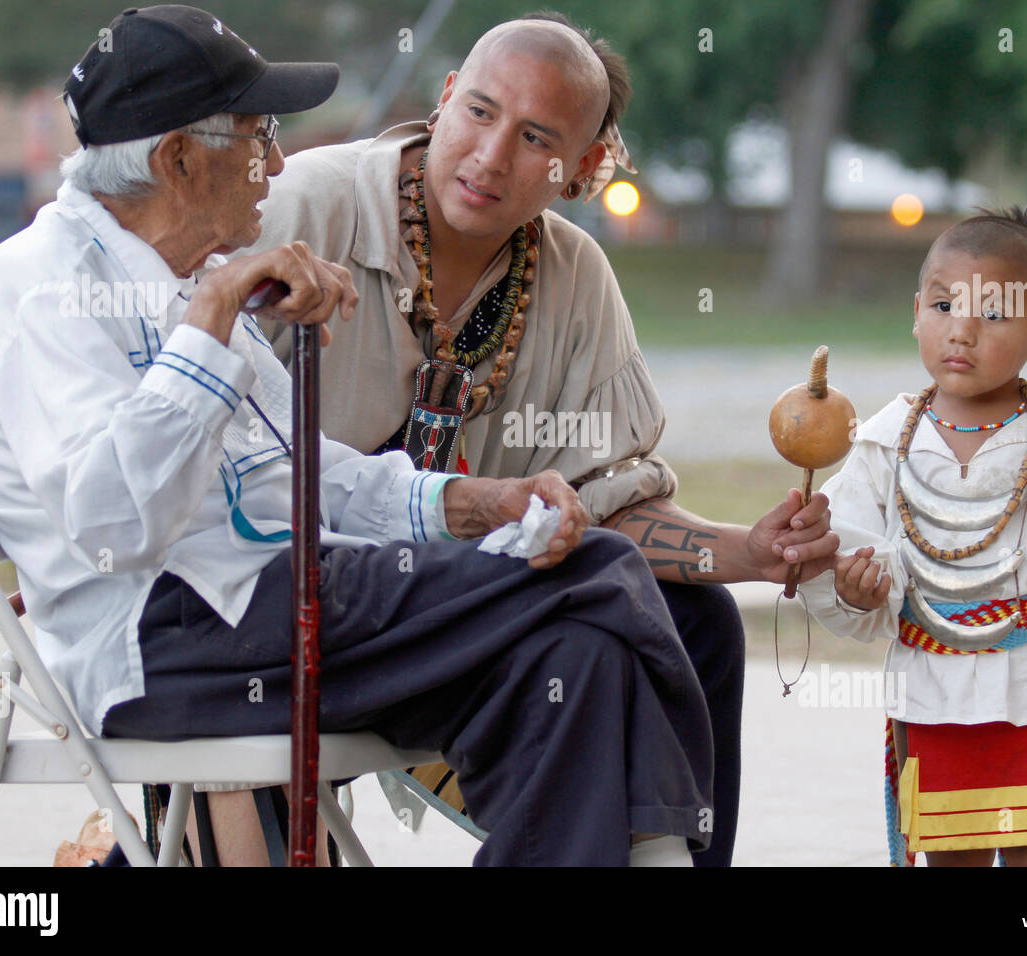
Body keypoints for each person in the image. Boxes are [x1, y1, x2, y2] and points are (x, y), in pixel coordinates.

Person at [0, 4, 724, 866]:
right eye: (259, 135)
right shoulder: (44, 287)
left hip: (275, 605)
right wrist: (208, 327)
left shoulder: (189, 278)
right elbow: (112, 526)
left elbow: (307, 474)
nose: (277, 163)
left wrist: (473, 502)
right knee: (598, 572)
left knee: (579, 652)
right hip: (175, 639)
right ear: (179, 159)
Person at [242, 11, 840, 867]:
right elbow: (191, 413)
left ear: (584, 168)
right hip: (296, 598)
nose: (490, 156)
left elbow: (603, 502)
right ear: (446, 97)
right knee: (582, 633)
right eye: (479, 112)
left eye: (535, 139)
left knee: (697, 622)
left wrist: (749, 551)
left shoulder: (573, 275)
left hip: (455, 615)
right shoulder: (312, 203)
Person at [799, 203, 1027, 866]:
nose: (962, 331)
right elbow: (847, 545)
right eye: (944, 306)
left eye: (994, 314)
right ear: (916, 311)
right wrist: (855, 588)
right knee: (954, 854)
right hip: (933, 692)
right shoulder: (883, 441)